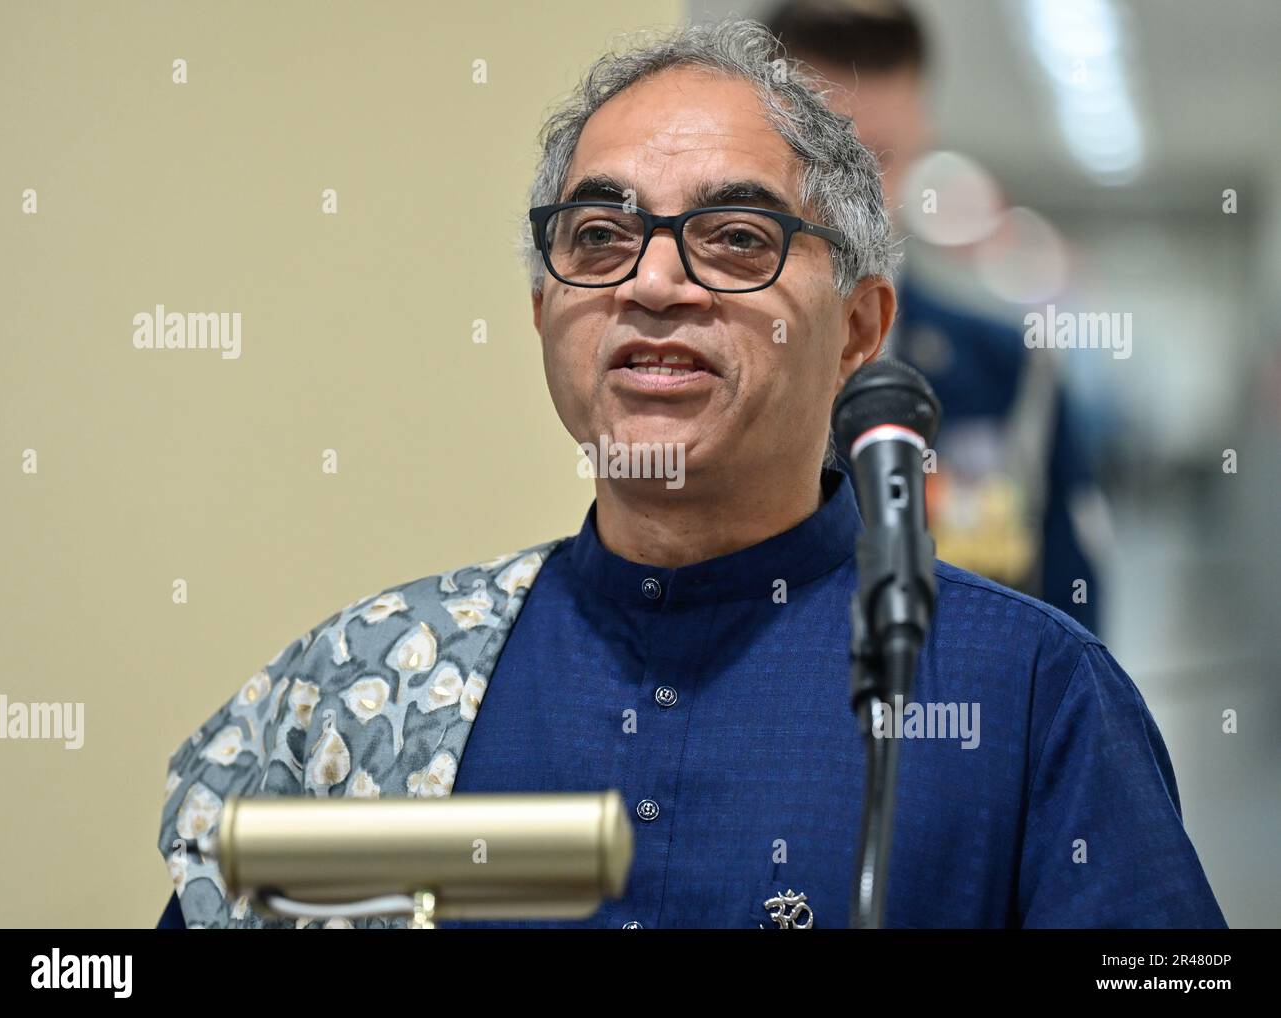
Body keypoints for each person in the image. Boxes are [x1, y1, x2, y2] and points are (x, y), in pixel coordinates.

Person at [157, 17, 1223, 929]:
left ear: (859, 327)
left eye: (733, 236)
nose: (654, 282)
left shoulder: (1026, 693)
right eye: (599, 233)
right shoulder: (367, 687)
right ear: (543, 310)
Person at [764, 0, 1107, 633]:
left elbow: (1072, 624)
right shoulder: (704, 362)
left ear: (924, 139)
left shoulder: (1012, 376)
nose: (854, 198)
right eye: (824, 160)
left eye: (881, 158)